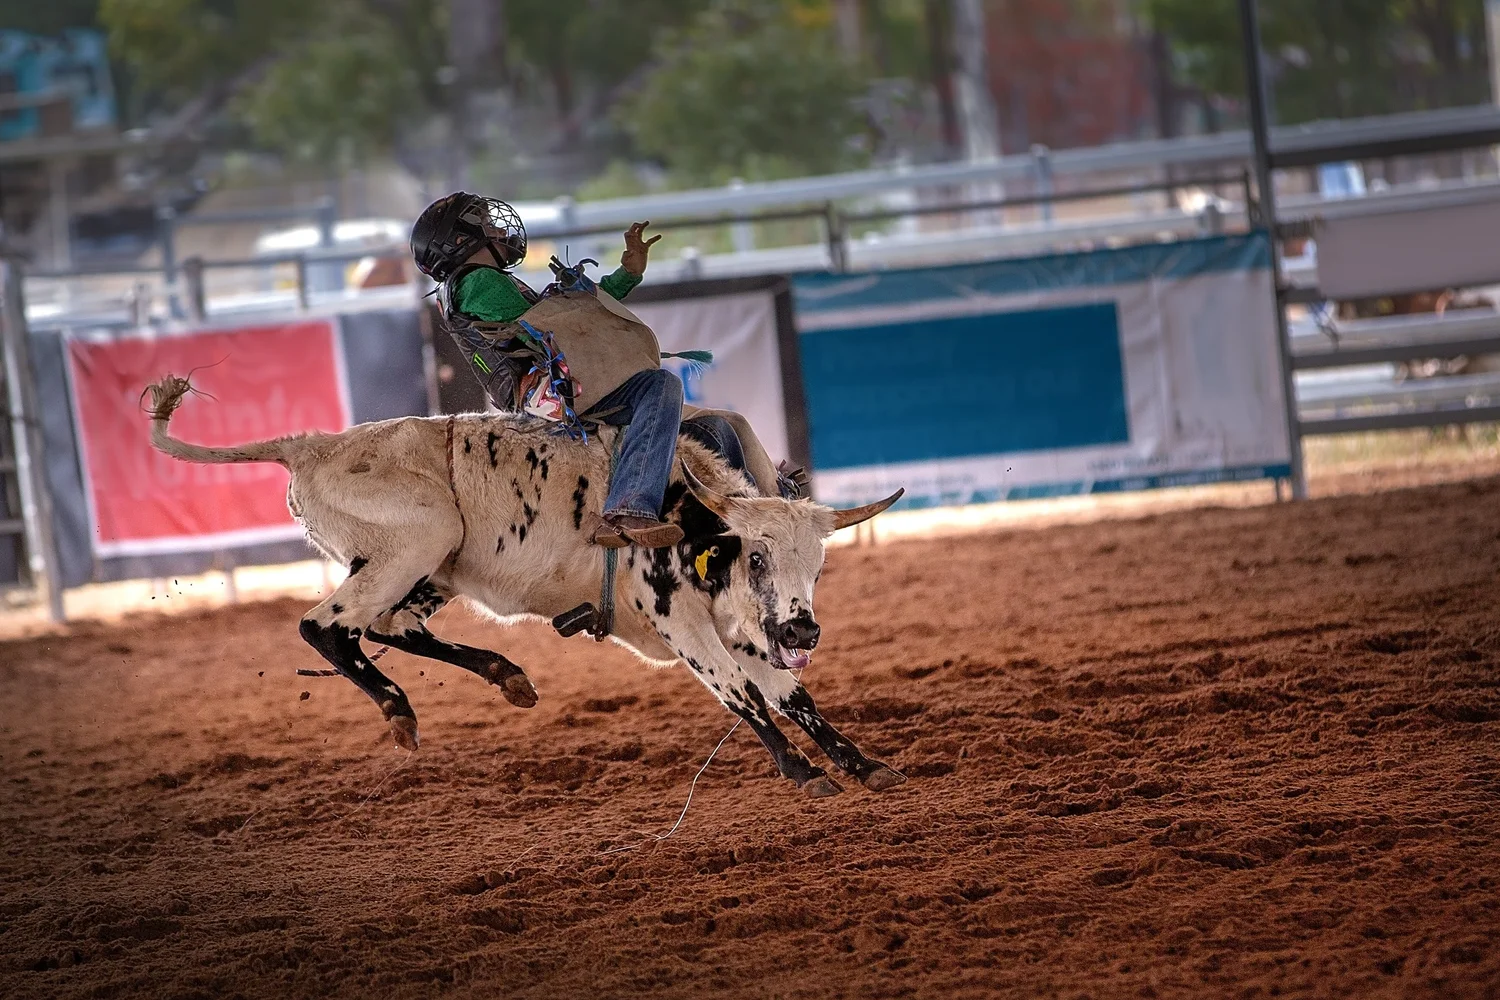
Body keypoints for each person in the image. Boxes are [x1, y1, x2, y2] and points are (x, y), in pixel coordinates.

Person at [411, 192, 690, 549]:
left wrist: (626, 276)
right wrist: (620, 280)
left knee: (685, 409)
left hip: (546, 387)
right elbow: (563, 320)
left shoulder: (472, 285)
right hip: (550, 392)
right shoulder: (479, 282)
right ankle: (629, 507)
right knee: (659, 387)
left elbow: (566, 315)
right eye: (487, 223)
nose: (498, 228)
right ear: (463, 240)